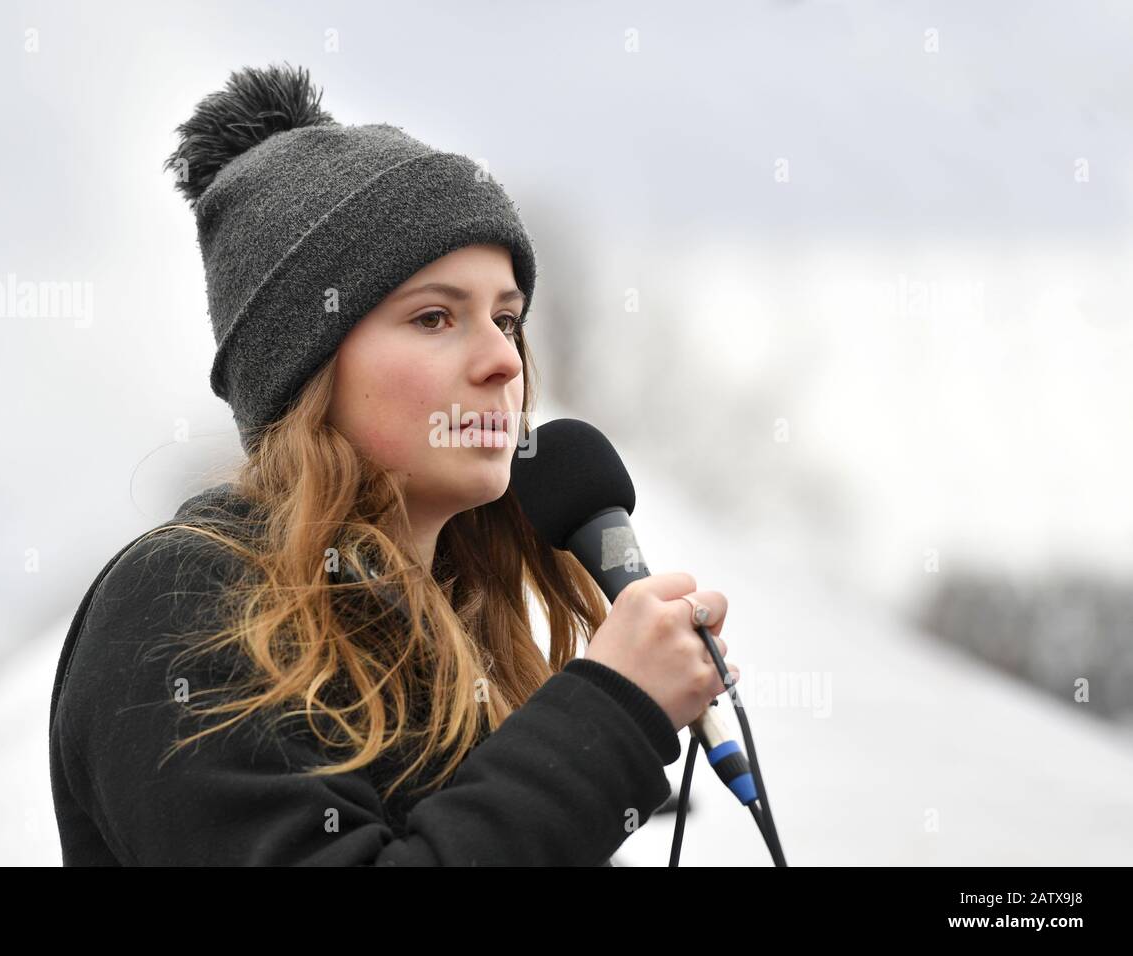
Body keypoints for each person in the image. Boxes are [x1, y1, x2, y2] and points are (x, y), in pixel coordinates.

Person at [48, 63, 739, 866]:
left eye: (507, 318)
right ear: (308, 367)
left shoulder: (468, 641)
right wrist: (610, 716)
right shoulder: (181, 603)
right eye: (436, 316)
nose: (501, 361)